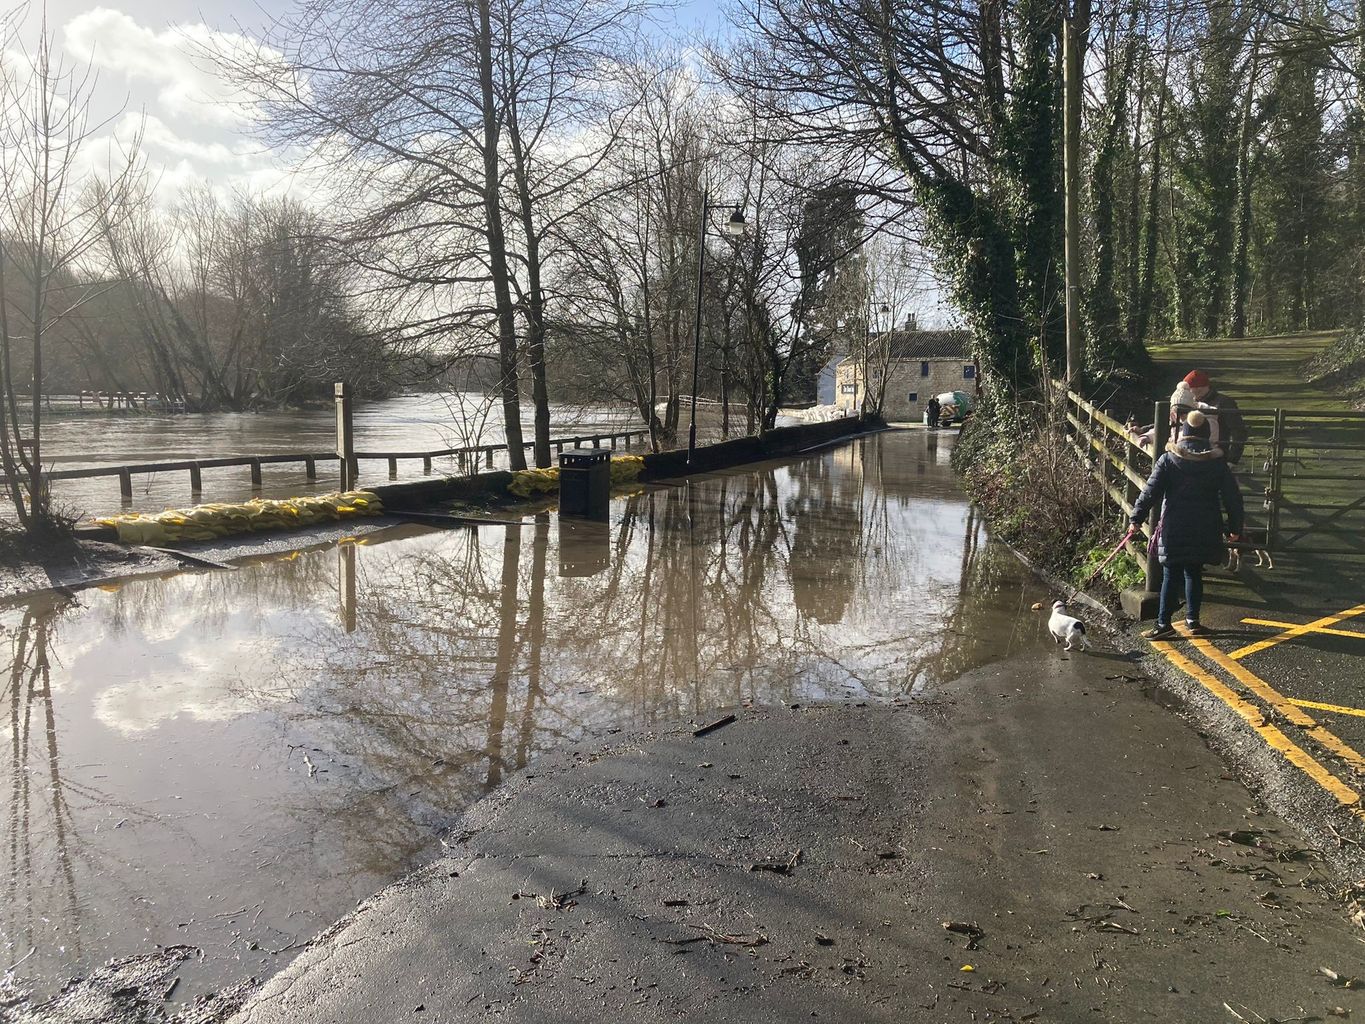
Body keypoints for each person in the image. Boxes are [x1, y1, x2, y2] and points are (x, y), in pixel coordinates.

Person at [1129, 413, 1244, 640]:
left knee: (1170, 573)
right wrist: (1234, 527)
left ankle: (1164, 624)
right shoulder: (1217, 463)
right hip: (1205, 526)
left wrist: (1136, 519)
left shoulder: (1169, 460)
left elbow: (1150, 492)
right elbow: (1233, 497)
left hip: (1175, 525)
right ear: (1206, 435)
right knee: (1194, 571)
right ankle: (1193, 620)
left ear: (1184, 433)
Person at [1183, 370, 1247, 463]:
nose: (1184, 392)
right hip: (1190, 453)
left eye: (1187, 389)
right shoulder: (1187, 402)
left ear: (1198, 388)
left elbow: (1238, 432)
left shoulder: (1225, 403)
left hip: (1216, 455)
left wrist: (1232, 459)